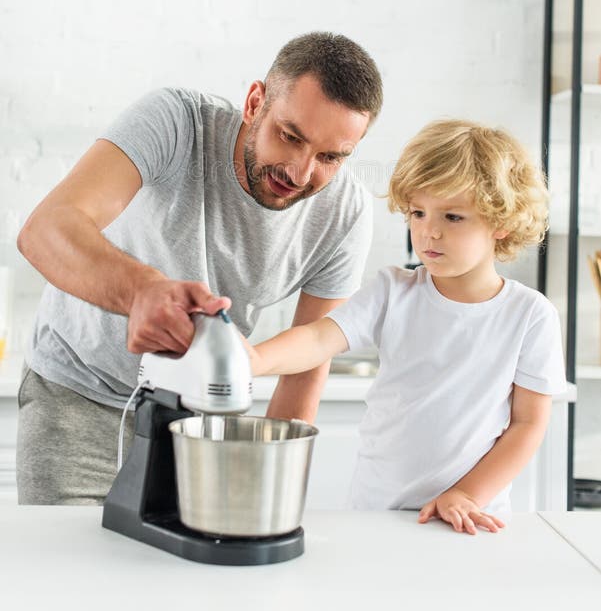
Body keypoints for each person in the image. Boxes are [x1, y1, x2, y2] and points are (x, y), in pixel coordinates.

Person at [16, 31, 383, 504]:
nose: (300, 171)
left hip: (201, 428)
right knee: (78, 574)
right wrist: (141, 291)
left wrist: (269, 487)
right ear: (255, 102)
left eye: (330, 157)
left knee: (191, 579)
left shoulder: (345, 212)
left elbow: (309, 362)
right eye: (290, 137)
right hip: (79, 402)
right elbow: (46, 229)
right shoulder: (176, 122)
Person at [246, 119, 567, 535]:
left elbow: (529, 424)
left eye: (452, 216)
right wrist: (252, 359)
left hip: (467, 517)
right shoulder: (393, 290)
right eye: (418, 212)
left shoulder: (530, 314)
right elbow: (318, 336)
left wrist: (468, 494)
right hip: (376, 513)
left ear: (500, 222)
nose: (428, 231)